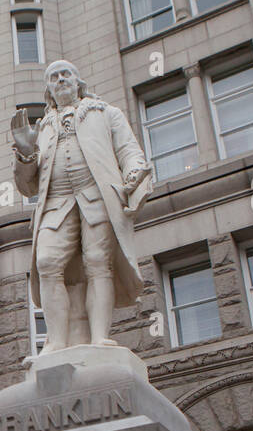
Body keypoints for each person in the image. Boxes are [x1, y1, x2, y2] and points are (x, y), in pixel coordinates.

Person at [11, 60, 153, 353]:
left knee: (98, 263)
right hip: (57, 204)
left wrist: (134, 173)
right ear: (48, 89)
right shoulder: (43, 128)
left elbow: (129, 150)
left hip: (97, 197)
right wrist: (26, 152)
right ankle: (57, 342)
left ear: (78, 82)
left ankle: (100, 337)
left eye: (66, 75)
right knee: (46, 262)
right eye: (54, 77)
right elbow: (28, 186)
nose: (61, 80)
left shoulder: (106, 113)